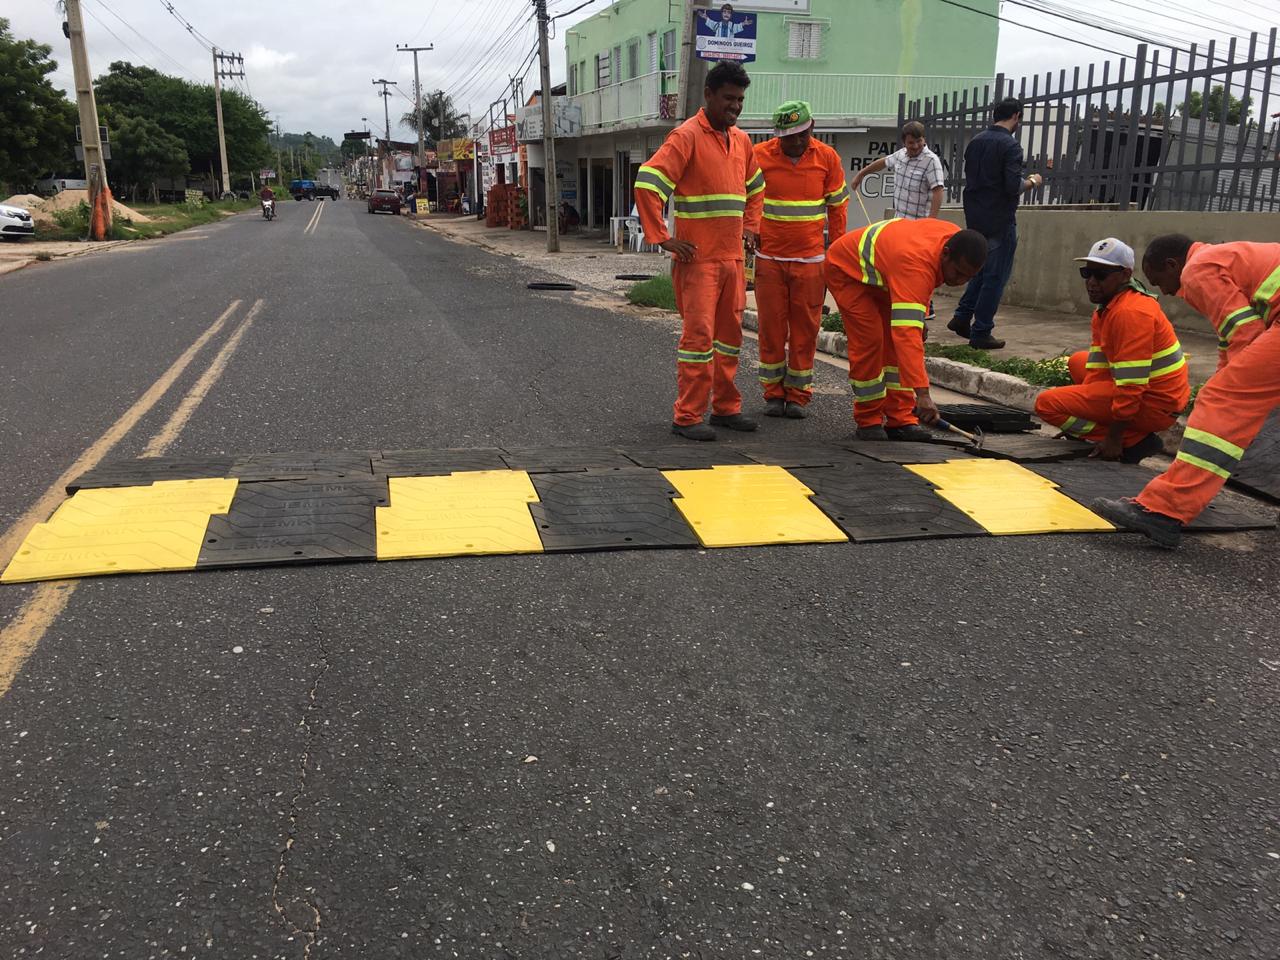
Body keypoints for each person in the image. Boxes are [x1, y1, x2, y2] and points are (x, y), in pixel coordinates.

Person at [1092, 234, 1280, 547]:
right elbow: (1233, 337)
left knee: (1222, 401)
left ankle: (1164, 510)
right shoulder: (1230, 260)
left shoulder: (1197, 269)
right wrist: (1225, 376)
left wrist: (1218, 395)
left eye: (1161, 281)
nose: (1166, 292)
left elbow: (1244, 336)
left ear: (1172, 264)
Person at [635, 60, 765, 441]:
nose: (736, 107)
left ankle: (726, 409)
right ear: (708, 95)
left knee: (730, 339)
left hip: (732, 260)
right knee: (699, 340)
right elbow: (648, 183)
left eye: (740, 100)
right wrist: (661, 236)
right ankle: (688, 416)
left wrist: (752, 226)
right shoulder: (686, 136)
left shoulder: (740, 140)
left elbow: (756, 187)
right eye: (729, 99)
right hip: (699, 262)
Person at [825, 218, 987, 438]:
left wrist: (917, 318)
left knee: (896, 344)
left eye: (969, 277)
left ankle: (900, 419)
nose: (961, 281)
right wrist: (923, 395)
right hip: (847, 271)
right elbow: (907, 334)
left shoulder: (955, 243)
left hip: (886, 276)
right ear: (946, 253)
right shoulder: (915, 262)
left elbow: (926, 280)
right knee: (871, 342)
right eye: (958, 273)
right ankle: (868, 419)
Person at [1034, 238, 1189, 463]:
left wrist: (1113, 438)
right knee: (1077, 361)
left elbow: (1131, 385)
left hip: (1155, 404)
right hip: (1150, 394)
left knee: (1046, 404)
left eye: (1101, 275)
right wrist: (1085, 409)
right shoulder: (1107, 308)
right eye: (1087, 274)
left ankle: (1132, 441)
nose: (1092, 282)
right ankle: (1120, 432)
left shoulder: (1131, 313)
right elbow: (1099, 369)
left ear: (1125, 275)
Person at [751, 100, 848, 420]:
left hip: (810, 261)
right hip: (769, 260)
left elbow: (838, 208)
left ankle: (798, 394)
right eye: (787, 136)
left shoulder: (827, 158)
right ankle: (772, 393)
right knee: (771, 329)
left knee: (806, 330)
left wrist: (836, 251)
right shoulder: (760, 156)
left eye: (801, 134)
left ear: (812, 127)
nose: (794, 142)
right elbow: (746, 199)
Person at [946, 97, 1043, 350]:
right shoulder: (1010, 146)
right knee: (996, 277)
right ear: (1016, 117)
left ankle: (962, 316)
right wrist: (1032, 181)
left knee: (978, 269)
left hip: (976, 216)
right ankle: (981, 330)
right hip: (1000, 219)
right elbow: (1012, 186)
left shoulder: (976, 142)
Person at [851, 121, 945, 221]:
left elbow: (938, 191)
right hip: (899, 220)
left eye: (919, 141)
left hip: (919, 224)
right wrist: (861, 174)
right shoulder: (901, 154)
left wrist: (931, 221)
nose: (916, 146)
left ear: (924, 139)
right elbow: (883, 162)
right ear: (904, 142)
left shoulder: (931, 161)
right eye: (911, 142)